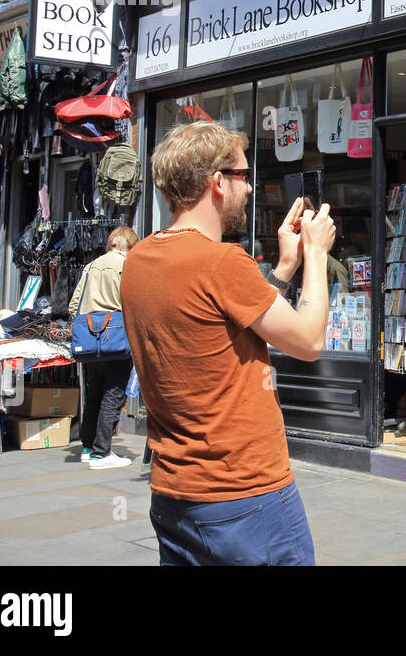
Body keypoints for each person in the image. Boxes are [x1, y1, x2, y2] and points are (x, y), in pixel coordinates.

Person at [120, 121, 335, 566]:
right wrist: (316, 257)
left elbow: (226, 325)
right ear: (217, 182)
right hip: (245, 495)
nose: (251, 188)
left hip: (175, 494)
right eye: (243, 175)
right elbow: (309, 340)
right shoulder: (222, 262)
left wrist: (283, 270)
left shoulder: (139, 260)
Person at [69, 225, 139, 469]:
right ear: (130, 245)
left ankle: (87, 447)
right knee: (114, 392)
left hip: (90, 337)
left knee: (94, 391)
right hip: (117, 335)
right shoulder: (128, 266)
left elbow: (74, 305)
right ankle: (102, 451)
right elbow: (133, 301)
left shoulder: (90, 266)